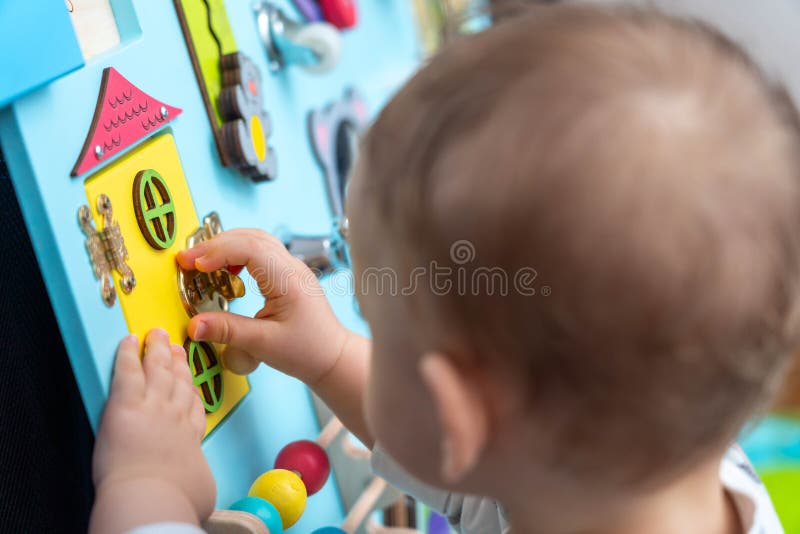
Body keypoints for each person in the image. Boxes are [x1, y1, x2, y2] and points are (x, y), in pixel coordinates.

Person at [90, 5, 800, 533]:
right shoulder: (667, 477)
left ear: (456, 411)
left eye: (376, 317)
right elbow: (479, 480)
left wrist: (147, 490)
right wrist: (333, 354)